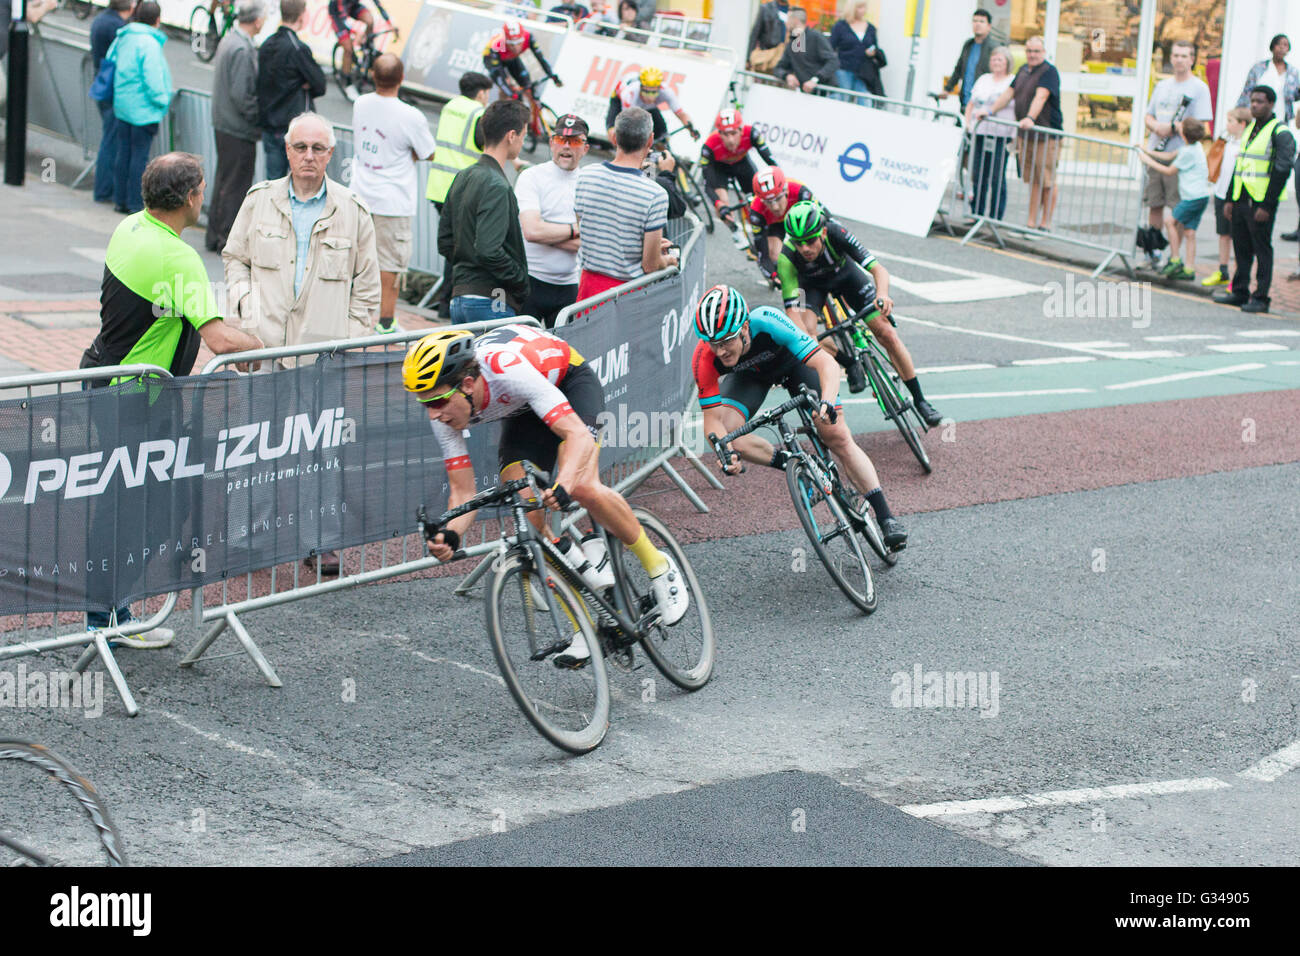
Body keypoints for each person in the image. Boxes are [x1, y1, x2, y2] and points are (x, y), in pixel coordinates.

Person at [405, 325, 691, 664]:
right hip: (524, 410)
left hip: (568, 383)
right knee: (528, 513)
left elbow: (576, 436)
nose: (433, 413)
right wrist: (451, 532)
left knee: (583, 486)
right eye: (425, 403)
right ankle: (582, 618)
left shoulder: (505, 368)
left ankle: (660, 566)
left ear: (468, 384)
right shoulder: (444, 416)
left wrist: (565, 483)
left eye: (437, 400)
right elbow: (462, 490)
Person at [82, 154, 264, 646]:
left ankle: (106, 613)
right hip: (137, 400)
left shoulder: (130, 229)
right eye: (201, 187)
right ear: (188, 197)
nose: (204, 195)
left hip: (110, 385)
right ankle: (105, 618)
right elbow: (220, 340)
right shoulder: (179, 258)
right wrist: (261, 343)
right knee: (146, 508)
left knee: (129, 502)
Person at [223, 113, 380, 575]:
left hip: (322, 357)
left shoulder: (353, 210)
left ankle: (321, 540)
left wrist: (347, 342)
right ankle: (244, 537)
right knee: (252, 445)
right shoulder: (259, 201)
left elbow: (367, 289)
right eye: (300, 147)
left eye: (318, 148)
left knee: (322, 450)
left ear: (331, 155)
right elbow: (234, 258)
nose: (308, 156)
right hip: (262, 349)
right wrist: (246, 308)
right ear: (286, 150)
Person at [692, 284, 907, 550]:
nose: (720, 351)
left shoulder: (768, 321)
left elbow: (824, 362)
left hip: (797, 365)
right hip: (750, 378)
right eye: (714, 343)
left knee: (836, 434)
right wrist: (724, 454)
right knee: (729, 438)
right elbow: (712, 421)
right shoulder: (704, 358)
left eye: (726, 341)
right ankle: (791, 462)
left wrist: (827, 401)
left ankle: (886, 517)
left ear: (745, 328)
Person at [778, 201, 943, 428]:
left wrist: (882, 295)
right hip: (811, 286)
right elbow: (792, 310)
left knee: (886, 333)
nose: (804, 248)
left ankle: (921, 400)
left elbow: (878, 270)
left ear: (823, 233)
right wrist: (805, 339)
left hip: (845, 275)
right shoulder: (787, 257)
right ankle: (848, 362)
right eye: (798, 243)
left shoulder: (836, 232)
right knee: (805, 332)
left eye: (810, 240)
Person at [351, 54, 436, 333]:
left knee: (355, 258)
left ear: (373, 75)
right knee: (390, 264)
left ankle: (354, 314)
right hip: (394, 201)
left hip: (360, 194)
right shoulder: (411, 116)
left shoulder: (360, 103)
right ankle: (385, 322)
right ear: (402, 79)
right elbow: (428, 151)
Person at [438, 99, 531, 324]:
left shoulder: (463, 176)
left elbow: (445, 241)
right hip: (491, 299)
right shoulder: (497, 185)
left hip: (460, 297)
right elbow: (489, 250)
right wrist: (521, 279)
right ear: (511, 136)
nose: (523, 141)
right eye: (524, 135)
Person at [573, 107, 677, 301]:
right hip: (627, 295)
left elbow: (585, 230)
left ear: (614, 138)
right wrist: (668, 260)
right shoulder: (655, 194)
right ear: (650, 140)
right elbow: (651, 265)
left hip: (587, 288)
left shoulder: (585, 175)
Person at [1213, 86, 1296, 314]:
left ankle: (1261, 297)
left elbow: (1282, 169)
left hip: (1260, 203)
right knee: (1241, 248)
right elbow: (1240, 166)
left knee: (1262, 250)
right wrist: (1231, 198)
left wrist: (1267, 205)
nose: (1255, 105)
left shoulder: (1280, 132)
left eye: (1260, 101)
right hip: (1242, 198)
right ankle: (1240, 292)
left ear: (1271, 104)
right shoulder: (1250, 128)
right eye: (1252, 101)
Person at [976, 35, 1062, 234]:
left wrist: (1030, 118)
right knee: (1033, 180)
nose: (1032, 55)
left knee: (1047, 180)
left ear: (1044, 53)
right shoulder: (1024, 71)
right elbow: (1008, 94)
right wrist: (990, 111)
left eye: (1036, 51)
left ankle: (1045, 224)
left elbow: (1041, 97)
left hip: (1045, 135)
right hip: (1027, 136)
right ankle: (1031, 224)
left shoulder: (1049, 72)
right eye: (1029, 51)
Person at [1137, 40, 1212, 267]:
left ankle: (1175, 256)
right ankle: (1153, 252)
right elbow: (1148, 115)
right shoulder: (1162, 85)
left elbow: (1202, 126)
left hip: (1180, 157)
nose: (1179, 59)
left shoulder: (1199, 88)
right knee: (1155, 204)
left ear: (1192, 59)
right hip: (1156, 152)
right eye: (1175, 55)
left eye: (1184, 56)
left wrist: (1176, 128)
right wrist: (1156, 127)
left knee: (1177, 208)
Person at [516, 113, 588, 327]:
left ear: (585, 148)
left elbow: (592, 242)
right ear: (551, 143)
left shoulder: (589, 183)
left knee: (564, 357)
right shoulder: (532, 176)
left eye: (574, 141)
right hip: (530, 281)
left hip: (568, 288)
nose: (566, 147)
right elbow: (531, 232)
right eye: (560, 140)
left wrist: (546, 233)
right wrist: (576, 230)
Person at [206, 0, 265, 253]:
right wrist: (257, 118)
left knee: (224, 181)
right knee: (235, 186)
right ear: (258, 21)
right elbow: (243, 95)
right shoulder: (241, 48)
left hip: (225, 122)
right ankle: (226, 238)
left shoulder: (230, 40)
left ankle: (215, 234)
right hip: (237, 126)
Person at [108, 1, 172, 215]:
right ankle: (135, 203)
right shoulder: (149, 43)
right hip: (143, 110)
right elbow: (152, 78)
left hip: (123, 105)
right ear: (157, 20)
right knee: (139, 158)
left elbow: (111, 58)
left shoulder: (124, 36)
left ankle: (120, 199)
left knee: (123, 153)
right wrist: (163, 100)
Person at [257, 0, 326, 182]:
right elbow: (320, 84)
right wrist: (305, 83)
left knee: (273, 183)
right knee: (301, 184)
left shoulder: (266, 45)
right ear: (302, 16)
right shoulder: (298, 48)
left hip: (270, 125)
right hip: (294, 128)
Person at [1239, 36, 1300, 240]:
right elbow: (1247, 93)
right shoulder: (1260, 68)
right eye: (1279, 45)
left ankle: (1266, 204)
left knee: (1277, 166)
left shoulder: (1292, 73)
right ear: (1272, 47)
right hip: (1258, 124)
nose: (1282, 49)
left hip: (1280, 123)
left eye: (1286, 46)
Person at [1136, 117, 1210, 280]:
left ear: (1183, 134)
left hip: (1192, 198)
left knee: (1170, 222)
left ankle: (1175, 259)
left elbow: (1169, 170)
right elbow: (1169, 155)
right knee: (1190, 232)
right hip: (1201, 196)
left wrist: (1147, 161)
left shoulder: (1188, 152)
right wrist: (1147, 151)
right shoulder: (1193, 147)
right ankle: (1189, 269)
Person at [699, 108, 777, 247]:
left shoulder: (752, 133)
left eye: (734, 133)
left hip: (742, 163)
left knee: (758, 197)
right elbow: (708, 184)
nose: (730, 140)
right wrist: (719, 205)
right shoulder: (709, 146)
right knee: (722, 201)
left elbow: (771, 162)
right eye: (725, 134)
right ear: (719, 133)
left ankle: (763, 228)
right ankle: (734, 230)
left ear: (741, 130)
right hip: (719, 168)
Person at [426, 71, 492, 213]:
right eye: (487, 94)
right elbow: (487, 144)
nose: (487, 98)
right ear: (481, 93)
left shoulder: (450, 106)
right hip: (463, 189)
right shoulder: (479, 113)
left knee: (445, 233)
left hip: (438, 186)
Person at [89, 0, 133, 206]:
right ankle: (105, 189)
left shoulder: (100, 20)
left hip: (101, 83)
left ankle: (104, 188)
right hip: (113, 89)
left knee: (109, 138)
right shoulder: (119, 28)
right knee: (112, 140)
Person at [964, 46, 1016, 220]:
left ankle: (995, 216)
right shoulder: (984, 79)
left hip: (1001, 135)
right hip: (980, 132)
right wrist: (967, 124)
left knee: (996, 176)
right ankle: (976, 213)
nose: (996, 62)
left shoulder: (1012, 81)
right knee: (978, 174)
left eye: (1000, 59)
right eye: (994, 59)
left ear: (1008, 62)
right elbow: (971, 103)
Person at [1203, 107, 1249, 287]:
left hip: (1237, 196)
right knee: (1223, 234)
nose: (1227, 125)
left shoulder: (1247, 144)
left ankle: (1238, 277)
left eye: (1231, 121)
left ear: (1242, 124)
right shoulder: (1226, 141)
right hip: (1221, 193)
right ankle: (1223, 271)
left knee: (1239, 237)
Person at [747, 166, 815, 281]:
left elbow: (826, 220)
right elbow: (763, 256)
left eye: (778, 198)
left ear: (786, 191)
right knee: (774, 254)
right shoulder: (756, 210)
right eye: (768, 202)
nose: (775, 207)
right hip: (775, 225)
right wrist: (773, 275)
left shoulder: (799, 190)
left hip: (798, 216)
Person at [605, 66, 699, 146]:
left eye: (653, 92)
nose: (650, 97)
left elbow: (681, 114)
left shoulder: (666, 92)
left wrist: (691, 129)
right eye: (647, 91)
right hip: (619, 101)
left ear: (659, 88)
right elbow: (628, 121)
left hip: (649, 107)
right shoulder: (630, 93)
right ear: (641, 86)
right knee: (616, 135)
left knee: (662, 140)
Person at [328, 0, 395, 101]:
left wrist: (390, 24)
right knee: (348, 48)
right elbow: (343, 18)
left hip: (352, 6)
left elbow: (378, 5)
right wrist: (355, 32)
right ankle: (347, 83)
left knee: (370, 20)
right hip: (338, 13)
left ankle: (366, 51)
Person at [482, 18, 560, 99]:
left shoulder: (529, 37)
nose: (516, 48)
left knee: (527, 85)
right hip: (492, 59)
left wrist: (551, 75)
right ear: (505, 41)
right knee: (507, 87)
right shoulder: (496, 46)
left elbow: (541, 59)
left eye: (519, 43)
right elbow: (499, 77)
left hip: (511, 57)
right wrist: (511, 94)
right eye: (511, 44)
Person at [773, 7, 839, 96]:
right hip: (807, 97)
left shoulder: (816, 37)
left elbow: (833, 61)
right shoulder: (792, 44)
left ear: (795, 20)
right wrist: (787, 76)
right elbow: (779, 68)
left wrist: (815, 80)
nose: (786, 22)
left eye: (788, 19)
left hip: (828, 94)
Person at [830, 2, 884, 101]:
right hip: (844, 69)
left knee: (864, 100)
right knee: (843, 99)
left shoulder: (870, 28)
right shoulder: (840, 26)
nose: (863, 10)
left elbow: (874, 46)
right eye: (860, 7)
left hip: (864, 72)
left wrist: (873, 52)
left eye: (864, 7)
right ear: (852, 8)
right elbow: (830, 47)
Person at [942, 7, 993, 108]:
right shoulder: (968, 45)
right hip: (965, 101)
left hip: (982, 105)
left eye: (981, 21)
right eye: (975, 21)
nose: (977, 24)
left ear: (989, 26)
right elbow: (958, 69)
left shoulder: (994, 48)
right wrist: (947, 89)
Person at [747, 0, 790, 73]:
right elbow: (755, 34)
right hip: (766, 57)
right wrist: (748, 58)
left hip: (784, 60)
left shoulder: (792, 11)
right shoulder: (766, 8)